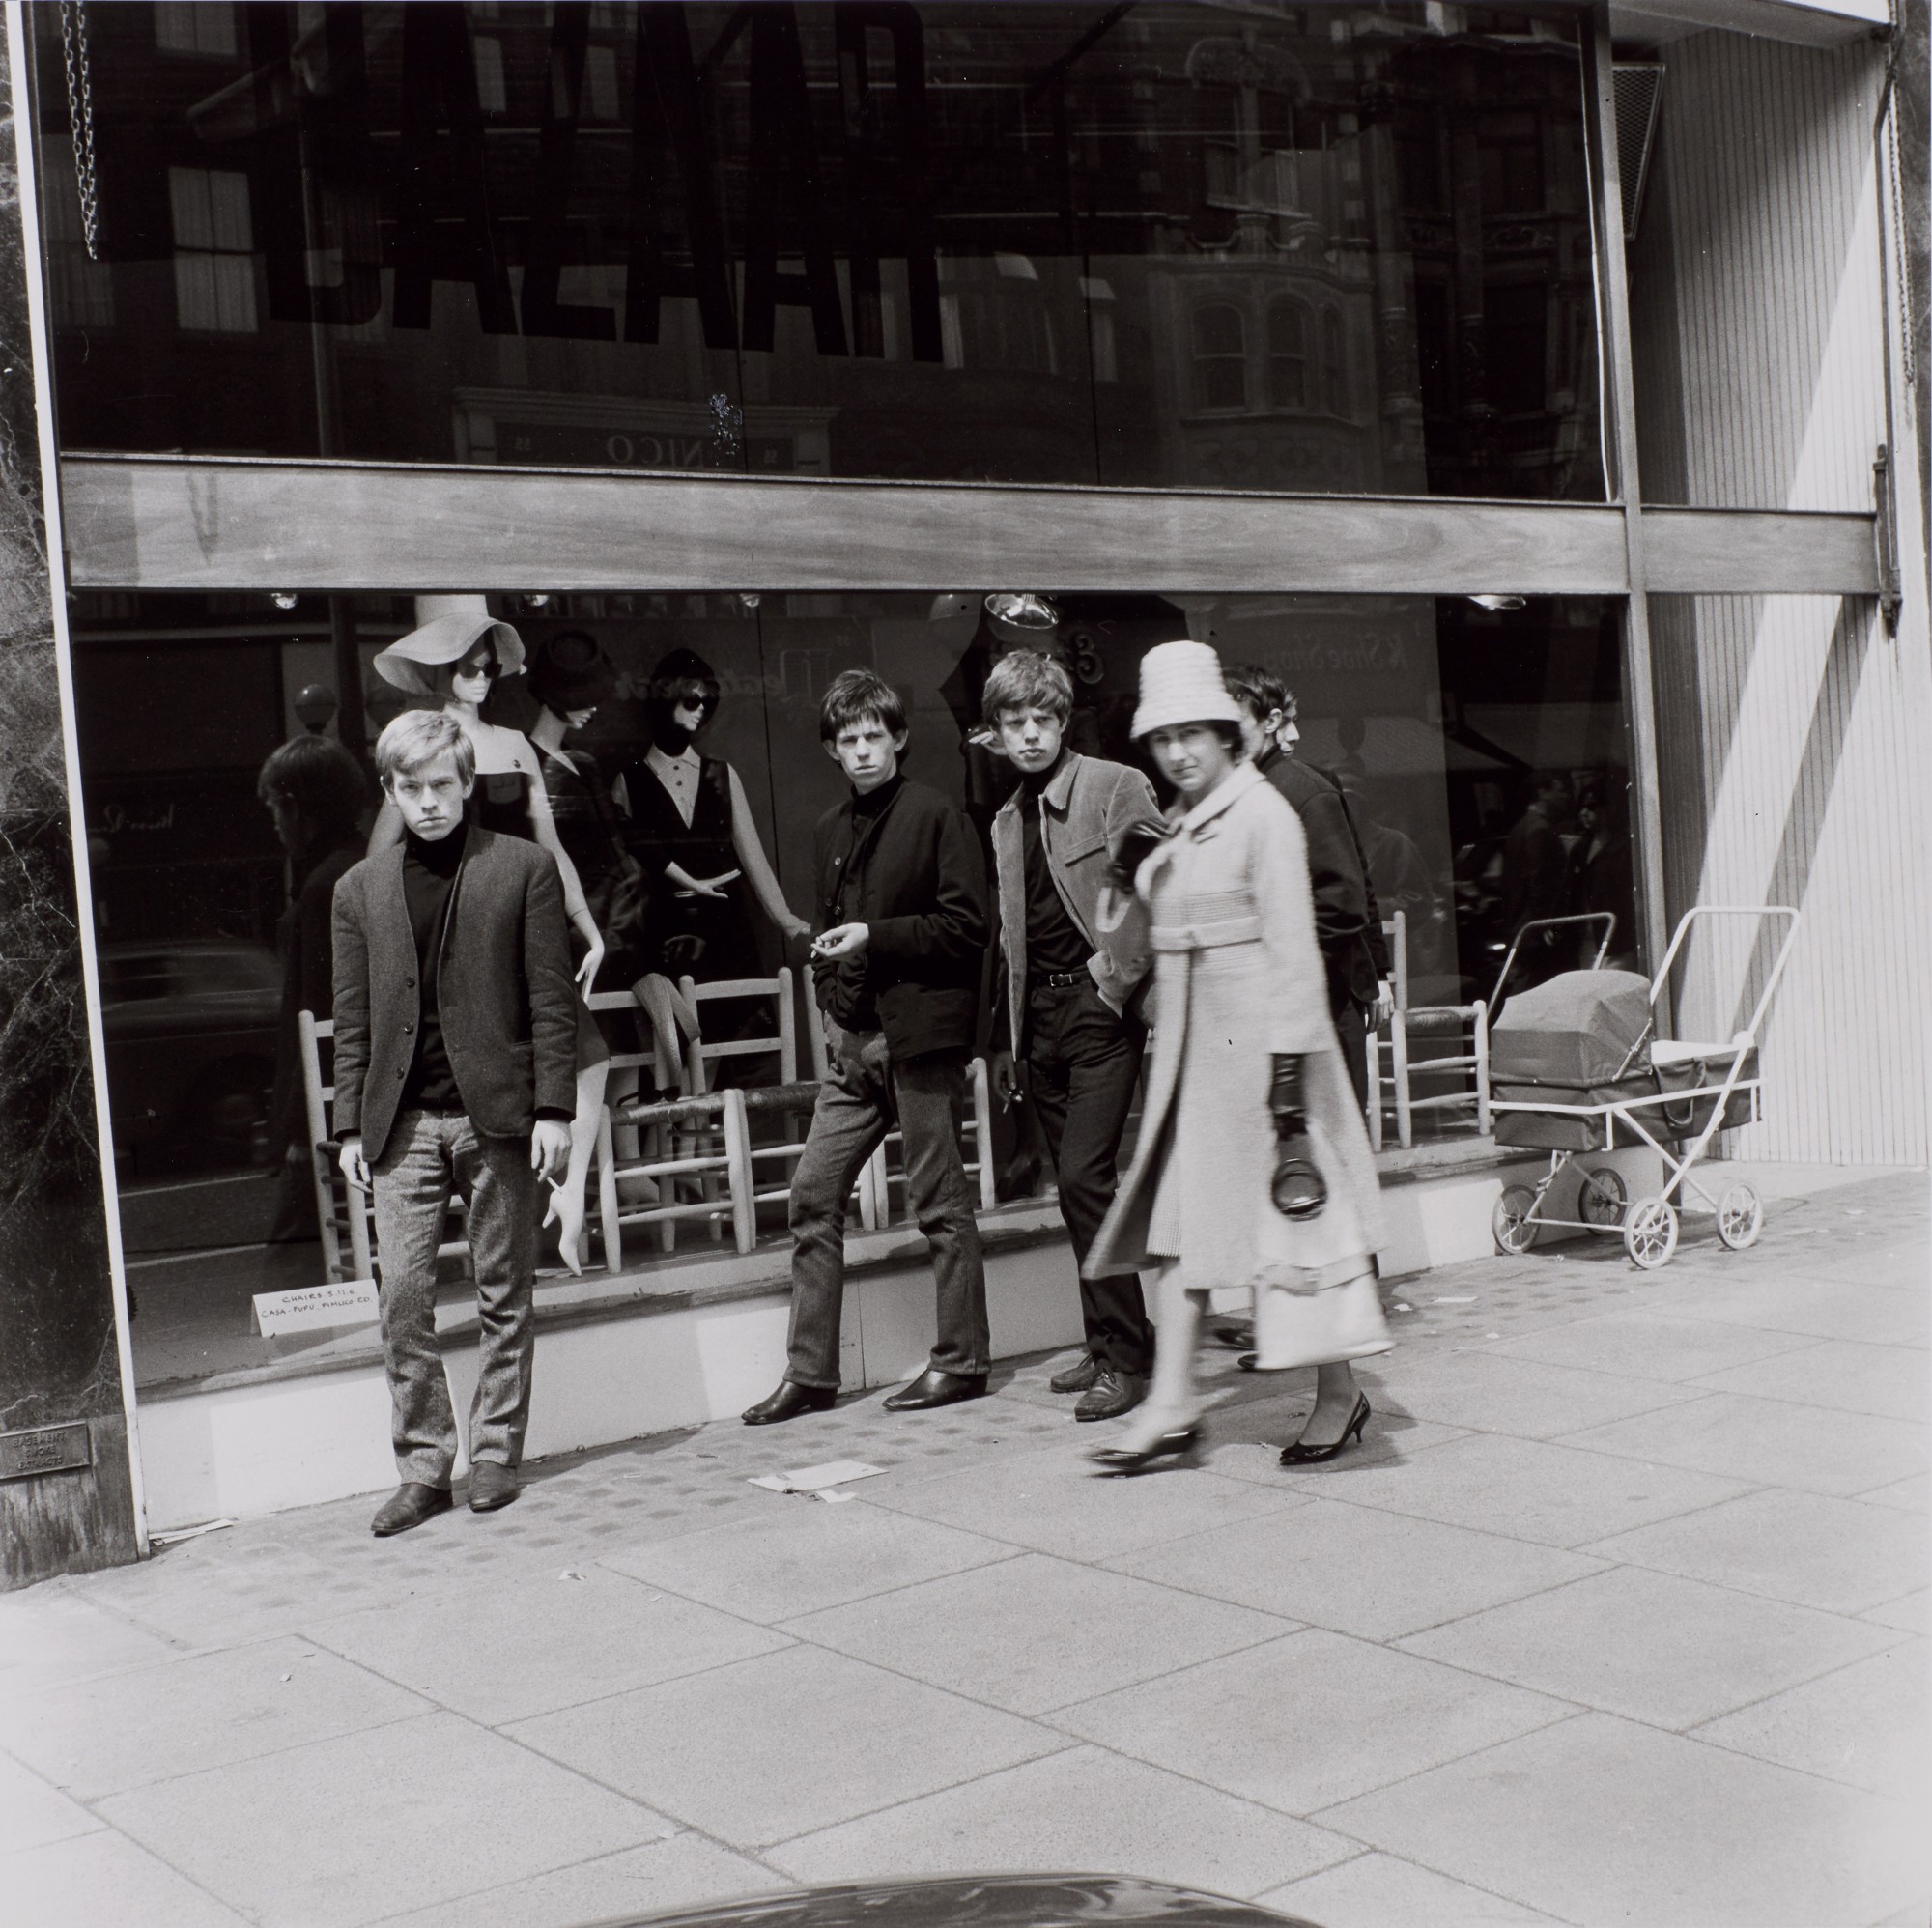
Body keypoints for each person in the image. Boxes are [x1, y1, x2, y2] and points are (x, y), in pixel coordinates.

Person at [1083, 641, 1389, 1474]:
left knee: (1294, 1240)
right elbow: (1129, 950)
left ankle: (1337, 1391)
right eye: (1163, 739)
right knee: (1184, 1237)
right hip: (1194, 1066)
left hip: (1260, 1065)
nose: (1179, 752)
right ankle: (1173, 1403)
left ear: (1228, 733)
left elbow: (1297, 955)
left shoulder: (1265, 816)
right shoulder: (1179, 827)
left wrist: (1288, 1087)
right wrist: (1132, 875)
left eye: (1194, 733)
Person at [332, 711, 578, 1535]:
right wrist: (345, 1128)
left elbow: (551, 1002)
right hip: (400, 1124)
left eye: (443, 785)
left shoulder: (523, 869)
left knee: (505, 1290)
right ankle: (424, 1467)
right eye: (411, 788)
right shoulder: (360, 889)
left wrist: (554, 1110)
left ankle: (498, 1453)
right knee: (402, 1298)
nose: (429, 802)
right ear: (390, 792)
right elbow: (353, 1020)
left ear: (469, 784)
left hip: (498, 1117)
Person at [743, 669, 992, 1425]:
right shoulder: (829, 829)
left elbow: (966, 927)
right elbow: (828, 934)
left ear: (898, 738)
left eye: (873, 737)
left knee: (939, 1205)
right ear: (831, 748)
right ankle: (812, 1373)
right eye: (847, 740)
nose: (861, 751)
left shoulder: (935, 814)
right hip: (855, 1046)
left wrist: (873, 938)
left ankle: (962, 1362)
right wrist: (829, 1007)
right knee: (812, 1196)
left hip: (919, 1040)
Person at [368, 597, 611, 1276]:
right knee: (491, 1067)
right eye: (468, 667)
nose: (482, 676)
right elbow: (379, 857)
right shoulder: (421, 745)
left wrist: (588, 926)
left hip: (524, 917)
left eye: (489, 666)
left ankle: (565, 1199)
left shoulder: (511, 745)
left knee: (587, 1056)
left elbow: (549, 841)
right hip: (453, 923)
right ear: (440, 673)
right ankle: (517, 1225)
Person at [984, 650, 1163, 1422]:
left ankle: (1127, 1358)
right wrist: (1011, 1040)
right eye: (1013, 723)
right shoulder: (1003, 819)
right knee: (1073, 1191)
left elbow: (1157, 883)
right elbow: (1012, 941)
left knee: (1090, 1179)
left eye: (1041, 719)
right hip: (1044, 1024)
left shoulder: (1114, 784)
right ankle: (1109, 1339)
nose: (1028, 735)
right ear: (994, 732)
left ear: (1061, 720)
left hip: (1100, 1012)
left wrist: (1112, 982)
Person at [1225, 666, 1387, 1104]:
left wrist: (1376, 973)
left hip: (1320, 1002)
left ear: (1270, 721)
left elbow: (1347, 897)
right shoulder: (1233, 792)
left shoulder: (1304, 789)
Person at [614, 646, 811, 985]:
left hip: (728, 929)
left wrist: (786, 919)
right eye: (692, 700)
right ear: (666, 697)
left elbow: (753, 856)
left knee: (744, 1028)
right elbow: (626, 872)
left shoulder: (722, 774)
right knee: (679, 1031)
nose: (701, 710)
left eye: (708, 701)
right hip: (669, 934)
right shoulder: (628, 781)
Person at [259, 733, 370, 1241]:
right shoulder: (363, 862)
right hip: (358, 1097)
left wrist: (302, 1122)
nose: (275, 825)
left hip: (329, 1107)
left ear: (297, 808)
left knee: (306, 1246)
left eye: (276, 809)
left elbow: (316, 1011)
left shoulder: (325, 884)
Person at [1500, 771, 1574, 994]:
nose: (1567, 797)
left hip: (1524, 925)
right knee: (1534, 986)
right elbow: (1539, 882)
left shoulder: (1523, 826)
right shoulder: (1538, 829)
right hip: (1535, 929)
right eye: (1560, 791)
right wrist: (1545, 924)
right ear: (1542, 792)